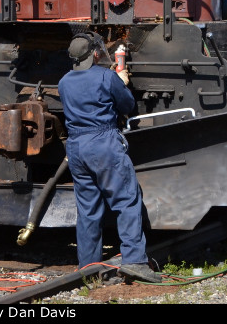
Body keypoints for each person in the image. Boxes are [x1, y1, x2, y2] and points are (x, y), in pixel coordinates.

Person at [58, 34, 161, 283]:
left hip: (76, 147)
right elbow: (126, 105)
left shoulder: (63, 82)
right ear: (94, 54)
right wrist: (121, 81)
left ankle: (89, 268)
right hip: (103, 143)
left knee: (88, 210)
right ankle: (135, 260)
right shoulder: (106, 76)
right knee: (126, 200)